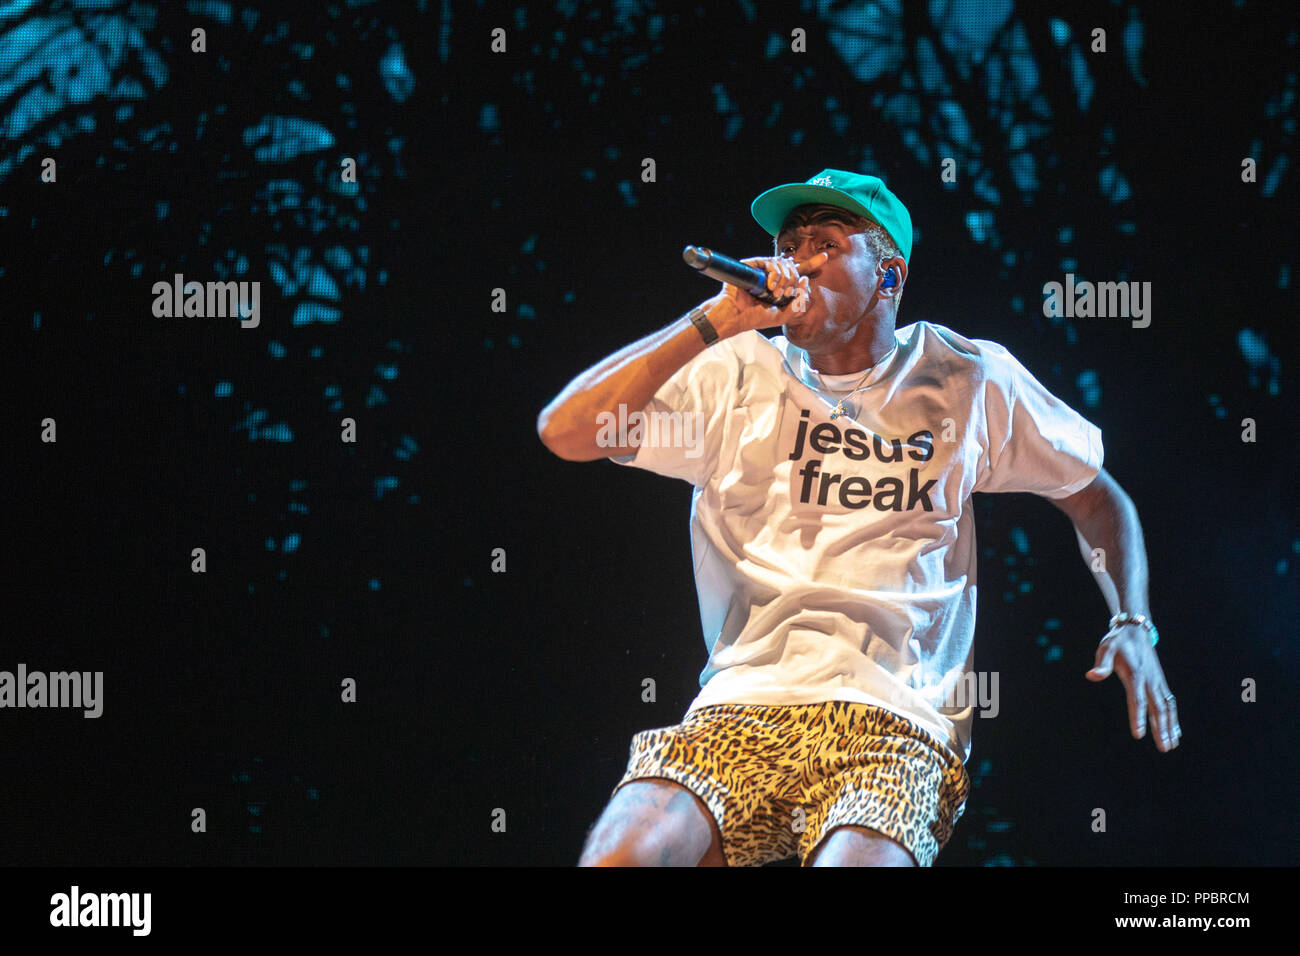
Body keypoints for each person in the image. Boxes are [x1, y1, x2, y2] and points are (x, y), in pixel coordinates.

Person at [537, 169, 1180, 867]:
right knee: (622, 856)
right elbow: (566, 432)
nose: (796, 260)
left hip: (897, 722)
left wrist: (1132, 621)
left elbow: (1095, 496)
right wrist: (712, 322)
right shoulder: (736, 369)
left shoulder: (966, 376)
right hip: (742, 705)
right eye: (788, 244)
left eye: (825, 243)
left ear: (888, 276)